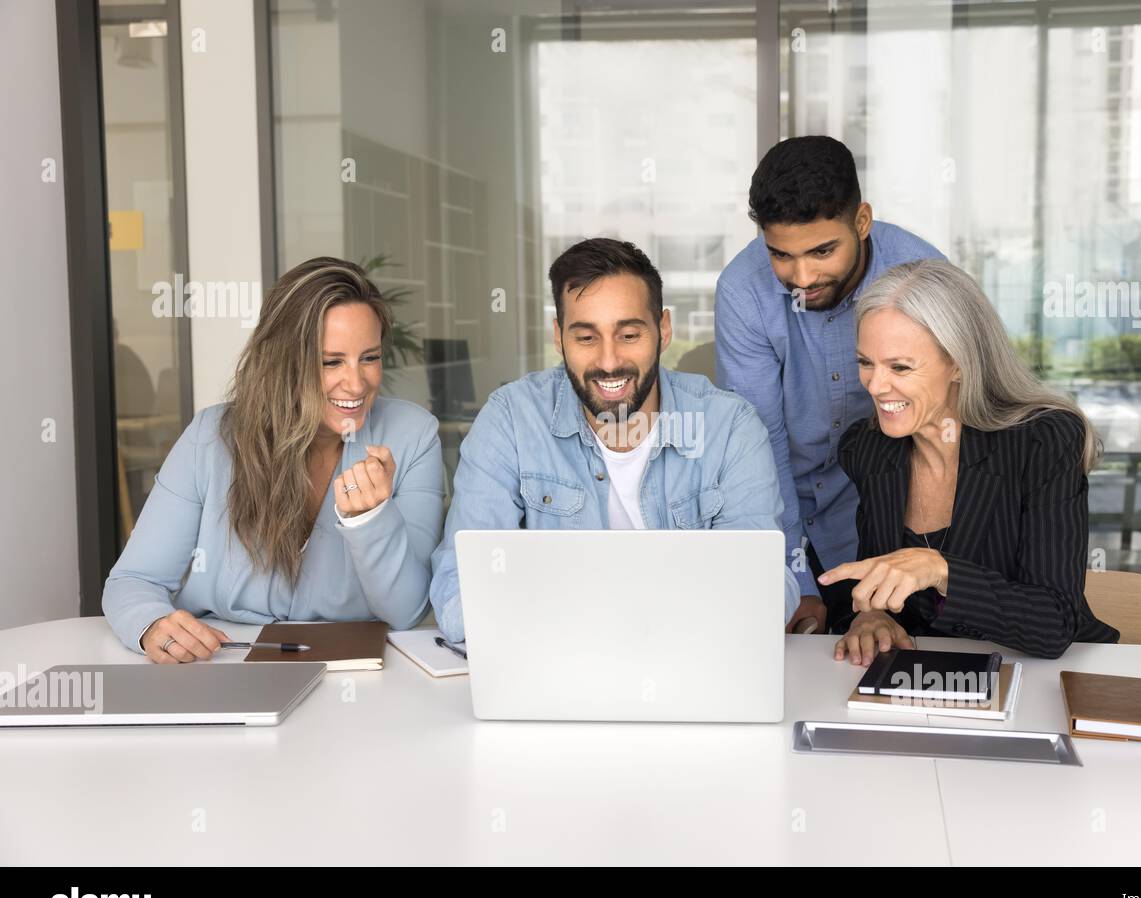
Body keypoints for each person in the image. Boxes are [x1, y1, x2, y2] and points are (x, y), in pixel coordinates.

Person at [430, 238, 799, 643]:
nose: (608, 362)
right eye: (586, 338)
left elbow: (764, 596)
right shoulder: (510, 421)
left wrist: (558, 604)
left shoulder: (729, 428)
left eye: (628, 335)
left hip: (686, 672)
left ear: (664, 329)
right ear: (559, 337)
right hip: (557, 673)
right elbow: (459, 600)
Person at [103, 257, 445, 661]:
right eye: (330, 361)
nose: (356, 382)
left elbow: (406, 610)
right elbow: (133, 580)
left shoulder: (412, 435)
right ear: (283, 362)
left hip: (359, 678)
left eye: (369, 357)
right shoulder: (210, 438)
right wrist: (151, 624)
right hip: (221, 666)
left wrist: (370, 521)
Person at [820, 259, 1119, 664]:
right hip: (929, 680)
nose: (875, 384)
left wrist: (941, 570)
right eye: (865, 362)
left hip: (1044, 677)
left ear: (958, 363)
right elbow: (887, 585)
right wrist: (873, 616)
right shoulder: (868, 448)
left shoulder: (1042, 443)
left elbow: (1053, 624)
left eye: (900, 367)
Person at [715, 135, 944, 633]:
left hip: (899, 524)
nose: (802, 275)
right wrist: (794, 578)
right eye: (780, 254)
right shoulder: (742, 290)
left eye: (822, 250)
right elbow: (759, 442)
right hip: (786, 517)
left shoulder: (924, 277)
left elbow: (949, 428)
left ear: (861, 221)